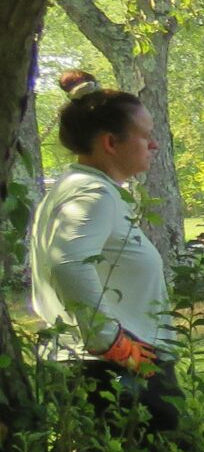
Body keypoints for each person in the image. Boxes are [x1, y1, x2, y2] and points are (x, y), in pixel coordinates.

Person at [30, 71, 180, 432]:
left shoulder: (78, 187)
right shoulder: (92, 194)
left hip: (96, 363)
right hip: (115, 369)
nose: (154, 145)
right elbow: (69, 263)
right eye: (146, 136)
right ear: (111, 142)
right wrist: (112, 344)